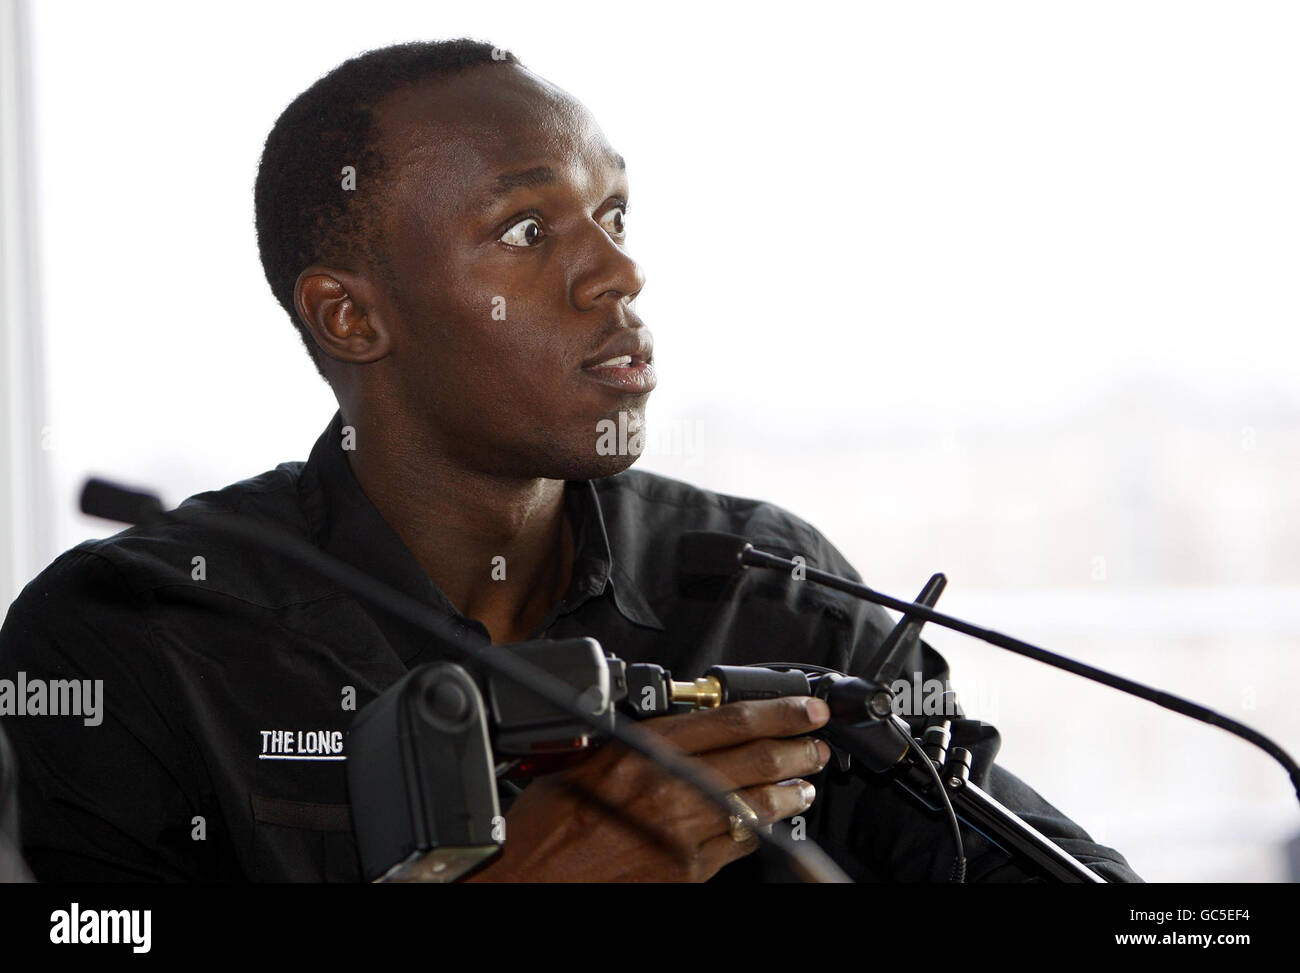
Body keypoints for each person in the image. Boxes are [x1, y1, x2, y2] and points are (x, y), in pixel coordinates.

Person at [0, 39, 1138, 883]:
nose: (616, 276)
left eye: (616, 215)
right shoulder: (130, 634)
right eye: (530, 232)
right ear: (352, 318)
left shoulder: (769, 585)